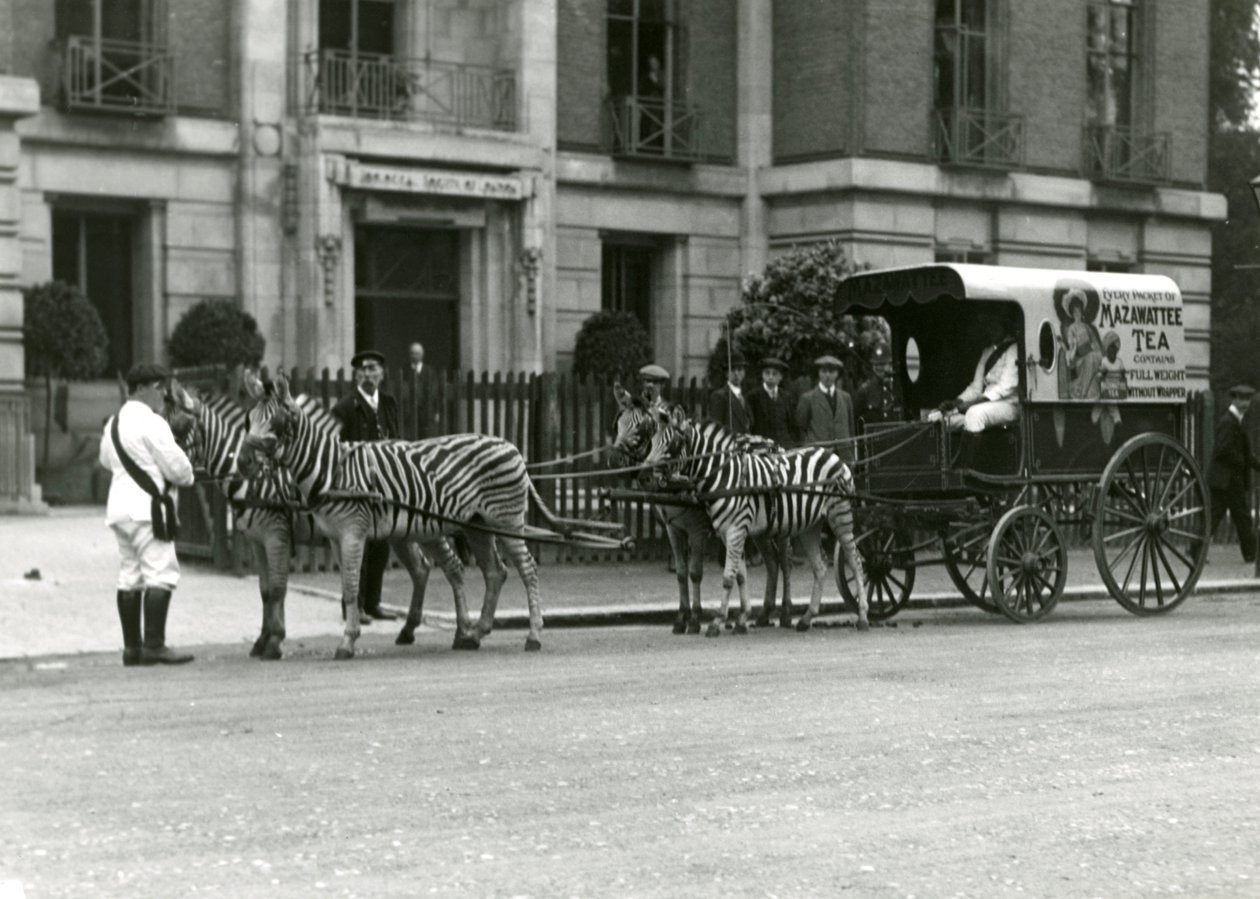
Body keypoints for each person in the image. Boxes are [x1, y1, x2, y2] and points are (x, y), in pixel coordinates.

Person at [99, 362, 196, 667]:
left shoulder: (113, 423)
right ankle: (154, 646)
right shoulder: (153, 424)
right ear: (140, 388)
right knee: (161, 573)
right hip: (148, 510)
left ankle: (132, 649)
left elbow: (105, 460)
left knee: (130, 575)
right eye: (159, 389)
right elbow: (180, 471)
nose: (163, 396)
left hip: (120, 510)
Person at [331, 349, 400, 621]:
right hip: (355, 488)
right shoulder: (344, 408)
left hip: (383, 485)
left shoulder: (389, 403)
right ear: (356, 375)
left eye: (373, 369)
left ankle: (373, 603)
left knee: (381, 545)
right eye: (363, 370)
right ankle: (353, 607)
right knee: (357, 546)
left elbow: (396, 440)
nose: (368, 375)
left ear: (382, 374)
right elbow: (334, 448)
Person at [938, 314, 1019, 468]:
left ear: (1003, 325)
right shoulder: (987, 351)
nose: (990, 330)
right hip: (986, 403)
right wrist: (955, 403)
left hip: (1009, 405)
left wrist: (971, 405)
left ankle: (965, 469)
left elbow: (1005, 387)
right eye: (988, 326)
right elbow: (976, 387)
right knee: (943, 418)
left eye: (994, 325)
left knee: (975, 414)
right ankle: (946, 466)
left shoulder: (1014, 349)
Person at [1206, 384, 1260, 563]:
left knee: (1218, 517)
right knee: (1241, 518)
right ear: (1234, 399)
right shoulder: (1228, 422)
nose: (1245, 403)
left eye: (1248, 400)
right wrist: (1242, 462)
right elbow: (1222, 450)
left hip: (1225, 479)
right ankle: (1251, 555)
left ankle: (1195, 550)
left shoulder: (1236, 420)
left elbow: (1245, 453)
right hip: (1227, 479)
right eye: (1242, 399)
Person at [795, 355, 856, 462]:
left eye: (831, 371)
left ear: (837, 373)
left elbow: (851, 429)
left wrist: (851, 454)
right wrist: (808, 452)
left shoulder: (846, 398)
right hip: (818, 458)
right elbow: (800, 429)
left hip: (844, 457)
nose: (827, 375)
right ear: (819, 373)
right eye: (824, 371)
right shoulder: (808, 398)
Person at [748, 357, 796, 447]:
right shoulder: (753, 396)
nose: (770, 377)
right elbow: (751, 426)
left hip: (785, 447)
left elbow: (791, 425)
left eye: (774, 374)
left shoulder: (786, 397)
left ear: (780, 377)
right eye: (767, 373)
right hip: (762, 448)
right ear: (762, 375)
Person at [854, 344, 905, 429]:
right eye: (875, 364)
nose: (878, 367)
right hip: (874, 440)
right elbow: (856, 420)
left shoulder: (899, 387)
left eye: (882, 364)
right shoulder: (864, 391)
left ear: (890, 365)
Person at [708, 350, 752, 434]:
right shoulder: (719, 396)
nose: (736, 373)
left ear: (744, 373)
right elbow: (715, 428)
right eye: (732, 370)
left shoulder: (745, 396)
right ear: (726, 373)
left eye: (739, 369)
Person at [409, 341, 442, 439]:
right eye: (413, 353)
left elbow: (435, 393)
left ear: (422, 355)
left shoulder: (430, 371)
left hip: (427, 413)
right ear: (409, 355)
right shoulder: (405, 371)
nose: (415, 356)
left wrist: (436, 411)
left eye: (418, 353)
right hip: (410, 414)